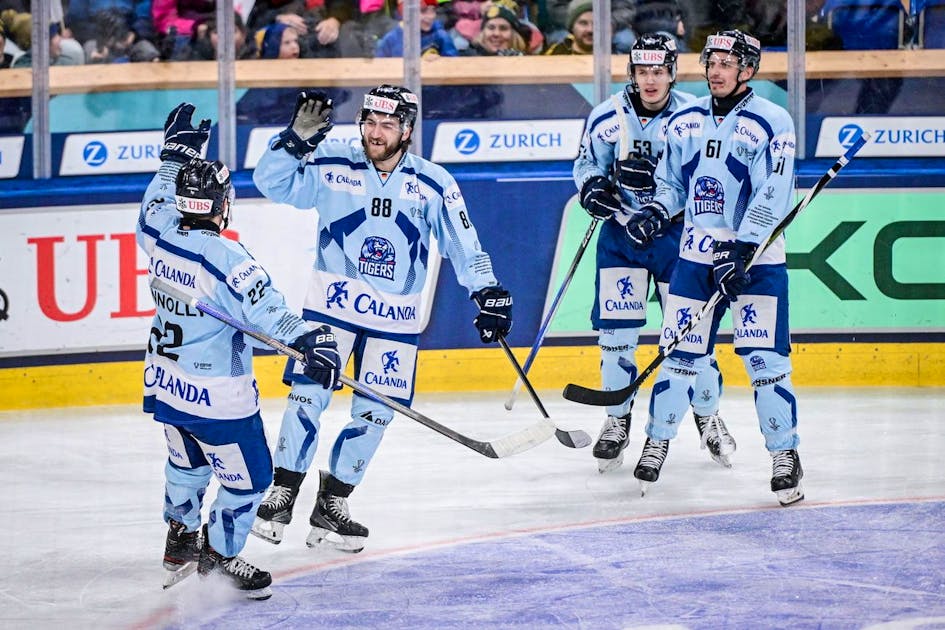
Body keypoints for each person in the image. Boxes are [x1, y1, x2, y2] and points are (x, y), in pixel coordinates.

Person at [251, 85, 513, 551]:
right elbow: (273, 184)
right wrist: (293, 140)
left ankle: (332, 503)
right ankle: (282, 492)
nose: (375, 133)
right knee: (308, 396)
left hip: (395, 322)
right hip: (331, 308)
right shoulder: (332, 162)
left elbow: (462, 244)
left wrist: (487, 291)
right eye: (370, 123)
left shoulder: (433, 183)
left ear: (407, 130)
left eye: (387, 125)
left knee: (376, 413)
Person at [137, 103, 342, 598]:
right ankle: (220, 553)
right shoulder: (230, 259)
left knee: (186, 465)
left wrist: (172, 160)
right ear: (222, 204)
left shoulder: (159, 235)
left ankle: (179, 541)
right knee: (251, 480)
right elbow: (269, 314)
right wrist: (309, 339)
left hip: (163, 382)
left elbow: (154, 204)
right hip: (216, 398)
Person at [624, 29, 803, 506]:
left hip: (756, 264)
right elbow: (671, 183)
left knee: (765, 365)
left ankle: (784, 454)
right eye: (711, 63)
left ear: (747, 69)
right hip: (695, 261)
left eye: (727, 64)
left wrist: (744, 247)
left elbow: (774, 190)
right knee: (678, 356)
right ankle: (658, 439)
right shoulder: (684, 119)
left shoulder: (773, 120)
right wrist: (655, 211)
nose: (716, 72)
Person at [573, 32, 735, 475]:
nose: (650, 80)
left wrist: (665, 202)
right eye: (643, 71)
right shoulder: (606, 115)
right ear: (632, 73)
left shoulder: (694, 116)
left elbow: (705, 176)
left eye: (658, 71)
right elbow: (586, 162)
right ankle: (616, 418)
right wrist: (593, 188)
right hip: (621, 238)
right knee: (615, 340)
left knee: (690, 339)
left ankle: (708, 412)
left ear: (672, 73)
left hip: (678, 239)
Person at [374, 0, 458, 57]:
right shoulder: (391, 39)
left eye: (433, 10)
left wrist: (439, 63)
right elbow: (379, 72)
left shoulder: (440, 35)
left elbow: (455, 67)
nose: (431, 16)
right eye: (423, 11)